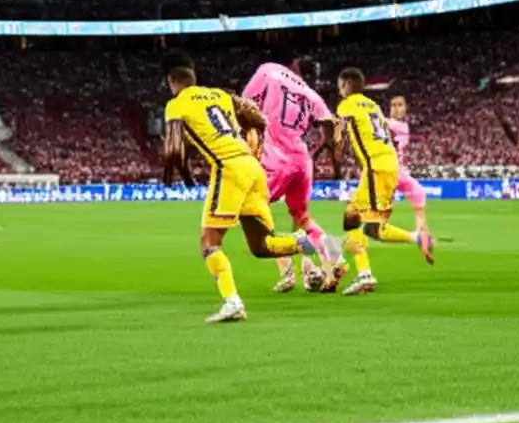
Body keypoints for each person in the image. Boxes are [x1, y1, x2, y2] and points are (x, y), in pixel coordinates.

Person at [162, 58, 318, 323]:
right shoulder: (221, 95)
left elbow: (175, 147)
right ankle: (310, 242)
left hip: (229, 169)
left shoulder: (176, 104)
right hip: (252, 167)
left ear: (171, 83)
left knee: (209, 242)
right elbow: (258, 118)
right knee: (262, 245)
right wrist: (255, 144)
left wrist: (179, 175)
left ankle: (232, 302)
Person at [324, 68, 433, 296]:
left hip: (376, 166)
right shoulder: (373, 105)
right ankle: (415, 238)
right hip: (388, 165)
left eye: (339, 85)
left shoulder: (347, 105)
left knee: (359, 223)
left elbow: (338, 133)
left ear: (345, 86)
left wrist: (333, 147)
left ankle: (364, 274)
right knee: (364, 222)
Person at [240, 50, 341, 293]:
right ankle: (330, 261)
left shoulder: (268, 71)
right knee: (302, 216)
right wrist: (325, 150)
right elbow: (331, 126)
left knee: (250, 209)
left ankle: (287, 270)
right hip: (302, 160)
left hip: (276, 159)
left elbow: (243, 106)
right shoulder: (310, 93)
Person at [382, 96, 436, 264]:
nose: (396, 108)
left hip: (398, 172)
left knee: (419, 194)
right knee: (378, 223)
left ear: (405, 108)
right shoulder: (390, 124)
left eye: (400, 105)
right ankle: (419, 235)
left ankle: (421, 232)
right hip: (387, 173)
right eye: (393, 105)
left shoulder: (400, 126)